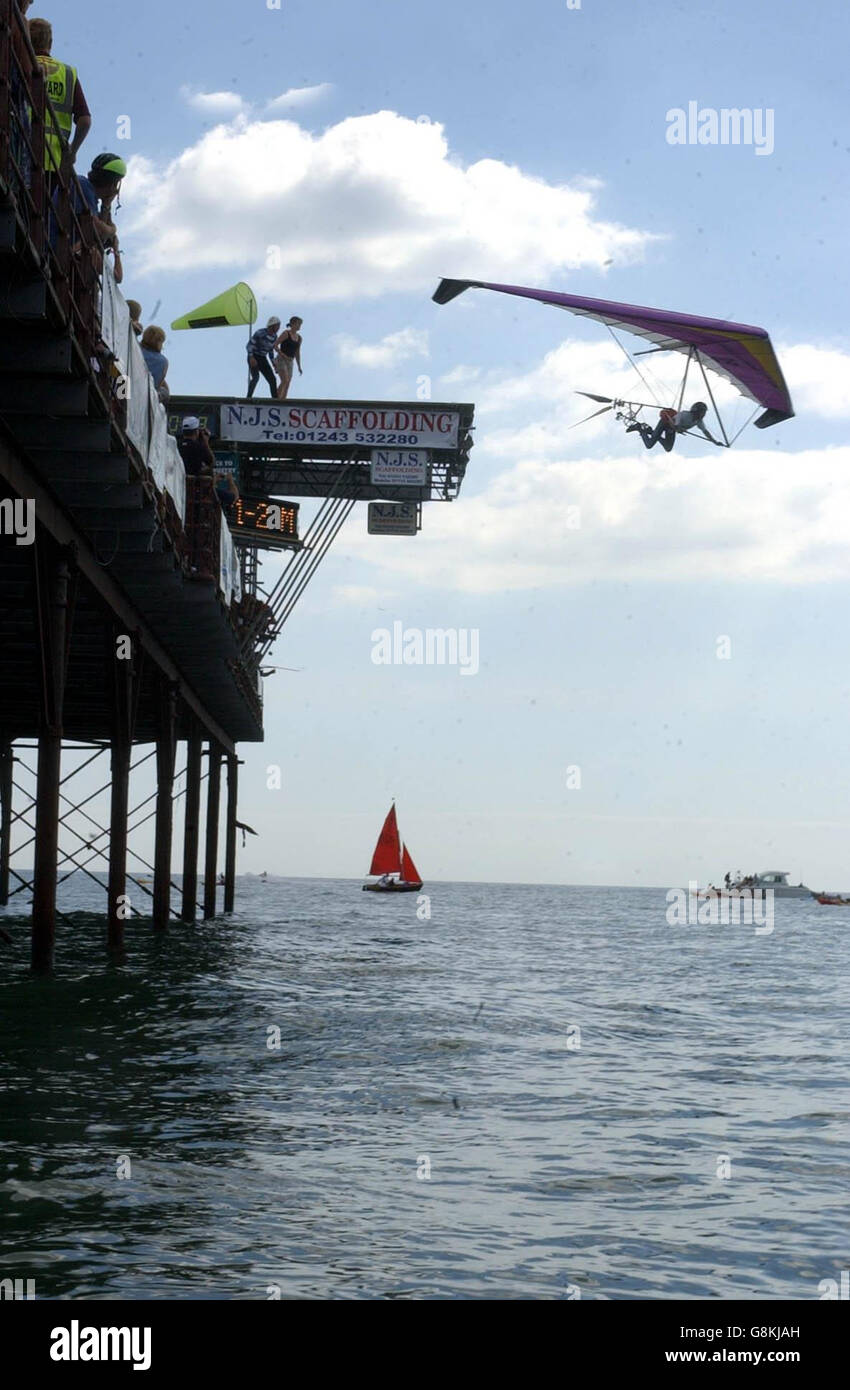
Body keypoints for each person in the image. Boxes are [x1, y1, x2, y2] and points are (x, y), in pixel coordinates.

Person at [28, 18, 91, 177]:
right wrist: (72, 151)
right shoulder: (68, 73)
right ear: (50, 42)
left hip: (22, 152)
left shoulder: (22, 64)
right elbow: (85, 121)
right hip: (55, 163)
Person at [627, 401, 721, 452]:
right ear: (697, 411)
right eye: (702, 411)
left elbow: (705, 432)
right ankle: (640, 428)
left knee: (668, 448)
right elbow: (674, 425)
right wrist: (678, 429)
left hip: (671, 428)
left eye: (704, 412)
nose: (704, 414)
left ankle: (651, 432)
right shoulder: (684, 415)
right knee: (649, 444)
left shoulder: (698, 421)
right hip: (666, 423)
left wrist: (715, 442)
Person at [246, 316, 280, 398]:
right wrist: (251, 357)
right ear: (273, 326)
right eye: (277, 325)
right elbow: (249, 345)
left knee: (272, 379)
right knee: (256, 377)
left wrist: (274, 363)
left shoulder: (275, 337)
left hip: (263, 358)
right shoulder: (260, 333)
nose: (279, 328)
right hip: (254, 356)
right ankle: (248, 397)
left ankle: (275, 400)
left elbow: (271, 351)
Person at [273, 316, 303, 400]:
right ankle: (275, 399)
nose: (299, 326)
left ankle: (283, 401)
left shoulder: (299, 338)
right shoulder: (286, 333)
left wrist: (299, 366)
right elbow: (275, 345)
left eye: (300, 324)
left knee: (288, 383)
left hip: (290, 360)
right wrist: (282, 354)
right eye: (298, 324)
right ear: (293, 324)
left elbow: (297, 353)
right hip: (282, 359)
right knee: (285, 380)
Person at [139, 325, 169, 402]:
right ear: (158, 342)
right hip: (143, 398)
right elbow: (157, 385)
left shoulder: (134, 347)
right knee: (165, 392)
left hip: (124, 389)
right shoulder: (162, 362)